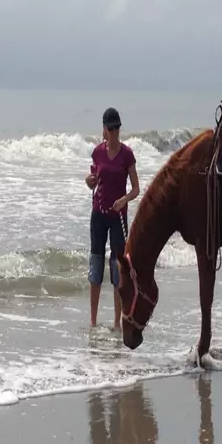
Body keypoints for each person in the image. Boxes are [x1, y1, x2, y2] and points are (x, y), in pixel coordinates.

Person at [85, 107, 140, 330]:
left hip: (118, 216)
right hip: (98, 215)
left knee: (118, 270)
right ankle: (93, 321)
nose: (113, 132)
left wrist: (124, 199)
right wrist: (89, 180)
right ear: (104, 130)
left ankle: (117, 322)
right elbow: (93, 180)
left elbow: (136, 189)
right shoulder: (97, 152)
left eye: (116, 128)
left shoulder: (127, 154)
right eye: (109, 129)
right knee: (96, 265)